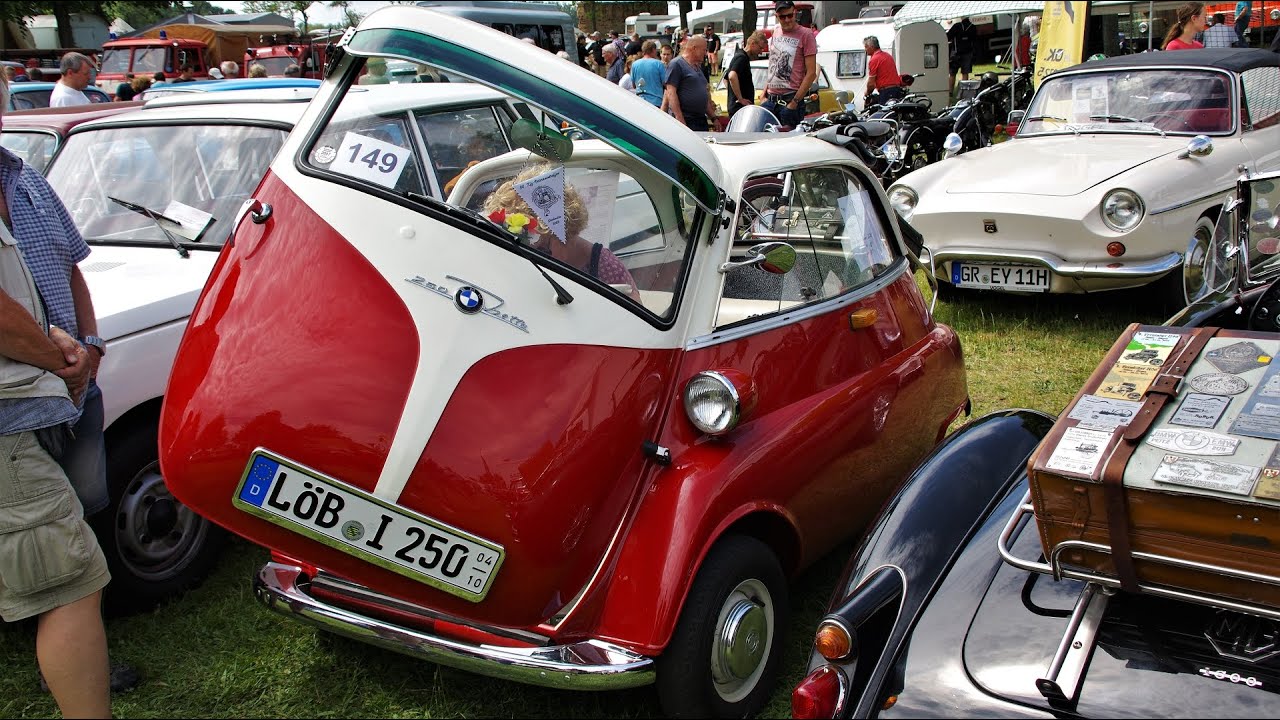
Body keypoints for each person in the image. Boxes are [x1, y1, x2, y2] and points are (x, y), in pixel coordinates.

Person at [0, 73, 113, 719]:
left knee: (72, 545)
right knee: (66, 578)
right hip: (13, 407)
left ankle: (81, 663)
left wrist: (90, 348)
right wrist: (59, 356)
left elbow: (70, 266)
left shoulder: (24, 174)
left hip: (65, 392)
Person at [483, 165, 640, 301]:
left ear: (567, 232)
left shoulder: (604, 265)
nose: (533, 258)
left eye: (542, 250)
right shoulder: (510, 268)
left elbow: (635, 320)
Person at [762, 0, 818, 130]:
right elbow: (773, 64)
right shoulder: (775, 31)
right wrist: (763, 94)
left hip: (790, 100)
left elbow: (811, 73)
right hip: (770, 100)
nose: (787, 20)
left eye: (790, 15)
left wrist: (794, 102)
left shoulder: (806, 34)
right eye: (782, 17)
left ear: (795, 13)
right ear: (777, 16)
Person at [664, 35, 717, 131]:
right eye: (704, 50)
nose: (705, 53)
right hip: (687, 120)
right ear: (694, 48)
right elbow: (671, 93)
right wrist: (680, 121)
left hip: (700, 120)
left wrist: (714, 118)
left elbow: (703, 96)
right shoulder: (676, 64)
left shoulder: (697, 67)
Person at [725, 31, 767, 118]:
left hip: (738, 107)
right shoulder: (741, 57)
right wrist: (739, 98)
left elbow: (726, 79)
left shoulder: (739, 56)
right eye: (760, 48)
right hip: (740, 109)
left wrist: (732, 94)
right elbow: (732, 76)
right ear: (752, 44)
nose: (760, 52)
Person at [863, 35, 904, 106]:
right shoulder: (888, 56)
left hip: (886, 92)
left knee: (883, 114)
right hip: (896, 89)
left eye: (866, 47)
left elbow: (871, 83)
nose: (865, 49)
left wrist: (867, 93)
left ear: (872, 46)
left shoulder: (874, 59)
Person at [947, 17, 978, 96]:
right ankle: (963, 92)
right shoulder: (973, 27)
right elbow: (975, 41)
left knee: (952, 74)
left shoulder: (957, 26)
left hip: (956, 53)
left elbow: (948, 36)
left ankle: (950, 92)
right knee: (965, 73)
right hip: (968, 53)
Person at [631, 40, 666, 107]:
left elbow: (634, 85)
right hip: (655, 101)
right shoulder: (659, 64)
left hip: (640, 100)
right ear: (653, 50)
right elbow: (664, 83)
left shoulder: (635, 64)